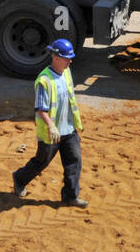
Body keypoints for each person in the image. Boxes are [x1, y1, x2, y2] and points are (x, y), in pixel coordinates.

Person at [12, 38, 88, 208]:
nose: (71, 60)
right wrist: (52, 126)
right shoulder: (44, 80)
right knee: (42, 161)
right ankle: (19, 178)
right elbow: (40, 108)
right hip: (51, 132)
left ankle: (70, 196)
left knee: (74, 161)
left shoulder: (66, 72)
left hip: (68, 129)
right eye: (67, 57)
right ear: (56, 57)